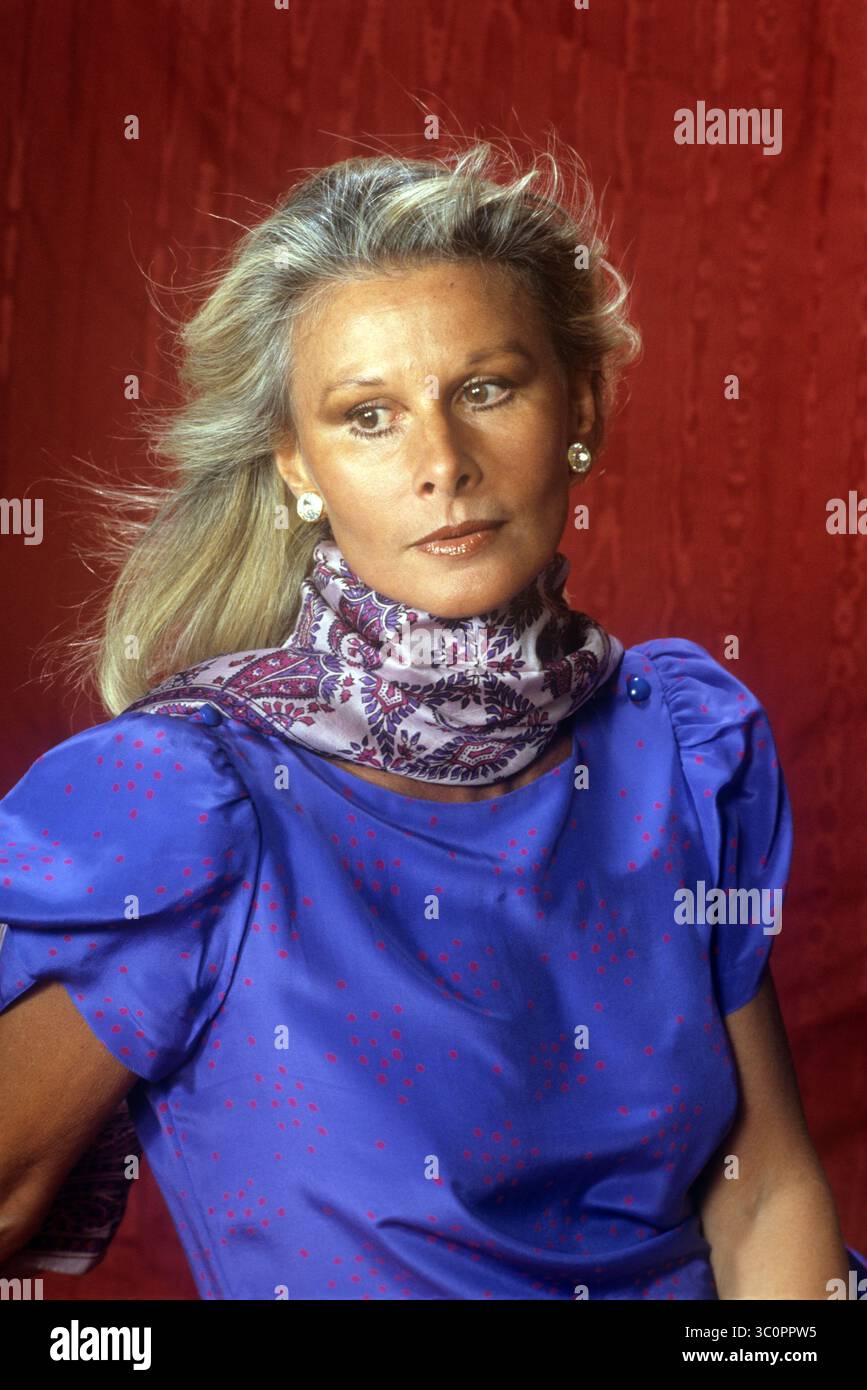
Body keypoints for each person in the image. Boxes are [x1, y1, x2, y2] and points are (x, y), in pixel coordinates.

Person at [0, 140, 863, 1301]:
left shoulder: (677, 744)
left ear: (582, 409)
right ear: (296, 464)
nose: (442, 463)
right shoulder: (185, 802)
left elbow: (762, 1197)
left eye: (488, 388)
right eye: (369, 416)